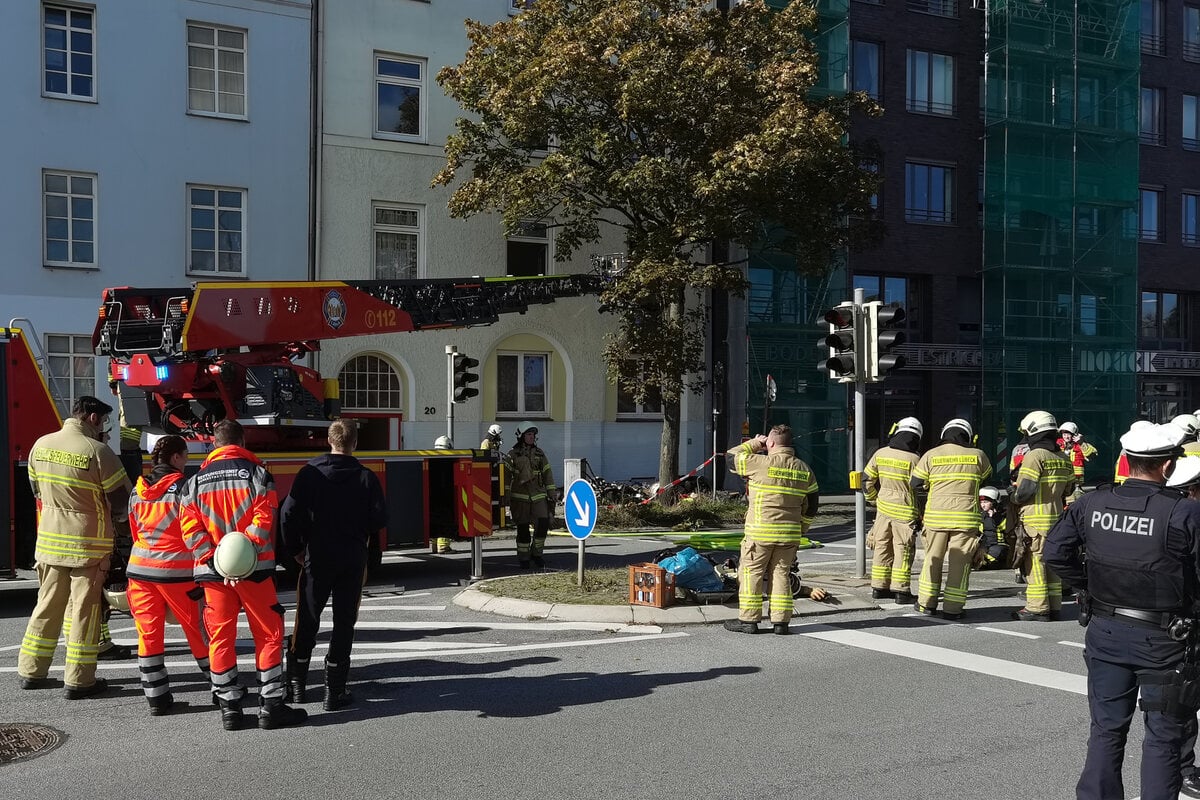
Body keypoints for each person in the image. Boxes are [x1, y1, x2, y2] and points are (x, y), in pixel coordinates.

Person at [1043, 422, 1200, 800]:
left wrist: (1088, 588)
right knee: (1163, 736)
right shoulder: (1184, 513)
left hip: (1106, 631)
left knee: (1106, 730)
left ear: (1127, 462)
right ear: (1166, 467)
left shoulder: (1091, 503)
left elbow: (1054, 554)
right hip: (1165, 641)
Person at [180, 419, 306, 731]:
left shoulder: (194, 482)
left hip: (213, 575)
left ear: (214, 444)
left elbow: (190, 529)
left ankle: (230, 710)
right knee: (269, 633)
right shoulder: (258, 474)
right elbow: (264, 518)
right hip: (255, 571)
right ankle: (271, 706)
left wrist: (215, 560)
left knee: (220, 637)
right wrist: (241, 553)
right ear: (243, 440)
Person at [18, 396, 132, 699]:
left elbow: (36, 490)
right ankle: (80, 681)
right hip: (88, 547)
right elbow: (122, 505)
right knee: (84, 611)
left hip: (49, 543)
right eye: (104, 421)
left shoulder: (39, 445)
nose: (103, 427)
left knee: (47, 605)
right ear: (93, 418)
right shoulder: (98, 452)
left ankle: (31, 671)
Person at [281, 419, 387, 712]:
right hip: (352, 557)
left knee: (307, 618)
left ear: (328, 441)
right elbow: (379, 519)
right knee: (344, 622)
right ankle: (335, 690)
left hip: (317, 556)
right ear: (354, 443)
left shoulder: (309, 474)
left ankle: (297, 687)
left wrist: (296, 549)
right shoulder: (366, 477)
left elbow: (288, 514)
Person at [125, 434, 210, 715]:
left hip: (139, 572)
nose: (187, 462)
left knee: (148, 635)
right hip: (177, 572)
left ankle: (157, 699)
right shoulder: (183, 488)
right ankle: (222, 686)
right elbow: (194, 530)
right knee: (198, 630)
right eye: (185, 456)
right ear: (175, 458)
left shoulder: (137, 491)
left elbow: (135, 532)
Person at [723, 424, 819, 635]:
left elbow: (730, 456)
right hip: (790, 534)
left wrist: (756, 443)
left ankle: (748, 620)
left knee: (751, 573)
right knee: (781, 574)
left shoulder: (759, 462)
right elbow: (812, 504)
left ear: (772, 443)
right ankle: (781, 623)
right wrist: (802, 529)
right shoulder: (805, 469)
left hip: (760, 533)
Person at [910, 418, 991, 621]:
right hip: (965, 520)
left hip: (936, 518)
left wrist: (933, 485)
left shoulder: (931, 454)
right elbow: (987, 478)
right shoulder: (978, 455)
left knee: (932, 560)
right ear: (968, 435)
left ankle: (926, 604)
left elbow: (915, 482)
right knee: (960, 565)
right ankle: (953, 609)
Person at [1010, 410, 1076, 621]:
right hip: (1057, 518)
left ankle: (1037, 608)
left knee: (1035, 563)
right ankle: (1054, 605)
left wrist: (1012, 495)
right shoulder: (1063, 457)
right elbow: (1069, 489)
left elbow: (1025, 491)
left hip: (1035, 519)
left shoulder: (1034, 456)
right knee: (1052, 562)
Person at [1163, 457, 1200, 800]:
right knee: (1183, 703)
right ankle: (1184, 769)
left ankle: (1183, 768)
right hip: (1184, 626)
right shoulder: (1186, 518)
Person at [862, 417, 923, 603]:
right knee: (902, 552)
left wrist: (874, 501)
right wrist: (921, 513)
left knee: (882, 547)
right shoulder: (915, 459)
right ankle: (901, 591)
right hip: (905, 513)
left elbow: (866, 481)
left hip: (883, 511)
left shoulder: (880, 453)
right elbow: (921, 488)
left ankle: (879, 588)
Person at [507, 422, 557, 568]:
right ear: (521, 436)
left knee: (543, 523)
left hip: (538, 495)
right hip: (519, 497)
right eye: (528, 434)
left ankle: (537, 554)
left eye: (533, 434)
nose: (531, 437)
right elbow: (506, 475)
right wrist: (505, 496)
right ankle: (524, 558)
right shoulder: (512, 455)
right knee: (523, 529)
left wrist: (552, 492)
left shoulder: (540, 454)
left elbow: (547, 474)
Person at [432, 435, 456, 554]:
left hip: (433, 497)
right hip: (444, 496)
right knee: (445, 520)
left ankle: (435, 546)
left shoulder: (431, 459)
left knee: (435, 520)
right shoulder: (447, 461)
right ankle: (443, 547)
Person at [975, 486, 1009, 569]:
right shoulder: (978, 516)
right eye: (981, 502)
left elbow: (1007, 529)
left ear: (994, 502)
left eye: (985, 502)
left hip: (998, 545)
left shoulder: (1002, 515)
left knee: (997, 551)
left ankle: (984, 562)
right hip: (983, 546)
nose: (982, 505)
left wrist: (995, 518)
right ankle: (981, 561)